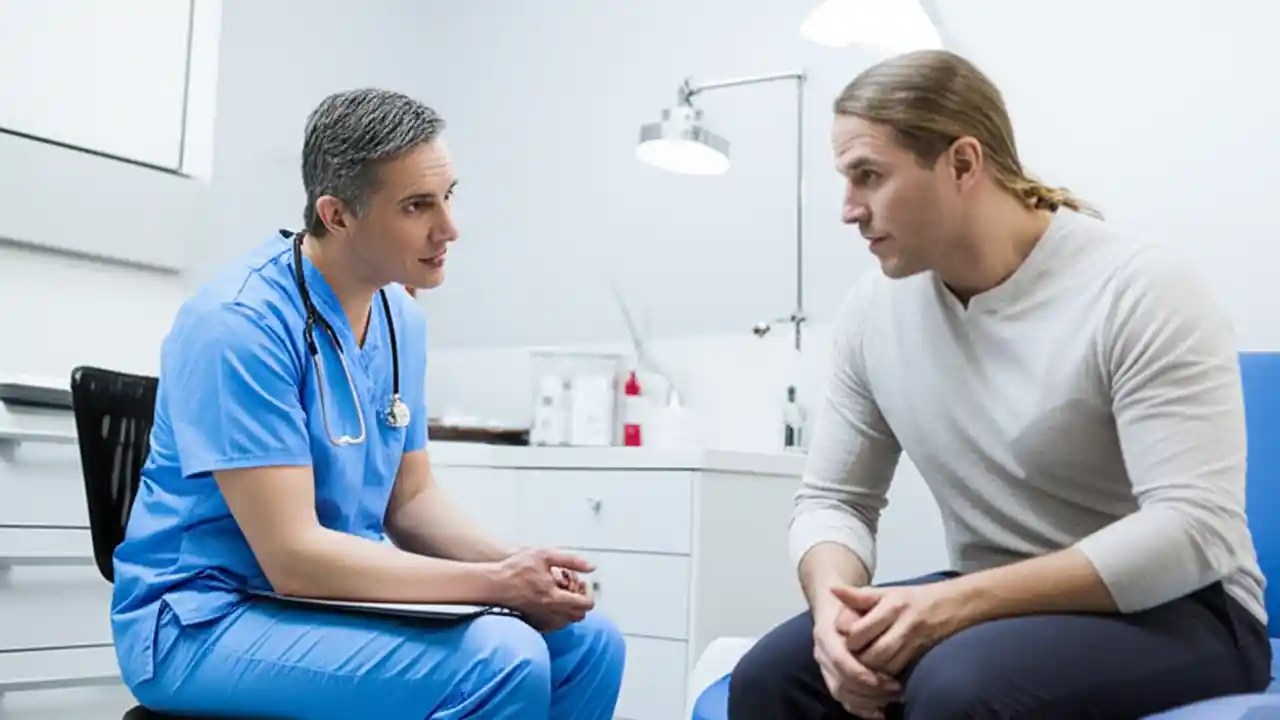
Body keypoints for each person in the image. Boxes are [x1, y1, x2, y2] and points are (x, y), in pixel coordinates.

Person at [728, 49, 1272, 719]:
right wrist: (833, 615)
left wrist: (951, 605)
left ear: (962, 162)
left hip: (1185, 609)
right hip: (990, 601)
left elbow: (1193, 529)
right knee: (771, 679)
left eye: (869, 176)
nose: (848, 209)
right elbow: (834, 499)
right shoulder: (873, 313)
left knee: (957, 689)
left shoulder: (1139, 289)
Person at [110, 88, 625, 719]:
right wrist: (496, 586)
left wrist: (521, 567)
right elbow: (293, 558)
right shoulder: (237, 325)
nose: (450, 229)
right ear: (337, 214)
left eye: (449, 196)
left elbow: (410, 499)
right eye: (417, 206)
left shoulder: (400, 318)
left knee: (589, 645)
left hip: (327, 602)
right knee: (501, 657)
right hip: (205, 620)